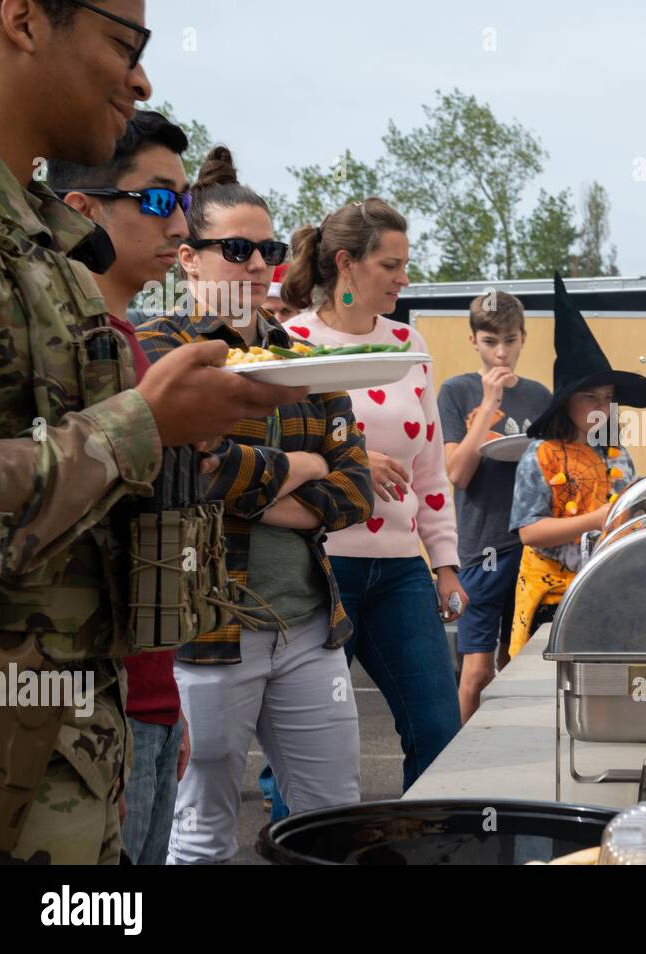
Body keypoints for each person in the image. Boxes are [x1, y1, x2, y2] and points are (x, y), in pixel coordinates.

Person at [0, 0, 303, 865]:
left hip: (81, 757)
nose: (142, 78)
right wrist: (145, 424)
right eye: (123, 44)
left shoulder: (48, 250)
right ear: (22, 19)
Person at [138, 146, 372, 863]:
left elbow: (355, 490)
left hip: (306, 625)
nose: (256, 264)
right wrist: (298, 468)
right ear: (189, 259)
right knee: (203, 831)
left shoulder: (301, 357)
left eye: (266, 249)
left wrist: (250, 482)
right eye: (235, 249)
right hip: (206, 634)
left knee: (336, 821)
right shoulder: (156, 351)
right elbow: (184, 469)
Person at [47, 108, 196, 863]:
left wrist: (171, 701)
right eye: (159, 199)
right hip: (76, 710)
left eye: (188, 201)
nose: (182, 224)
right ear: (82, 210)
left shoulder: (133, 341)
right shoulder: (57, 351)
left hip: (150, 697)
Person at [280, 197, 464, 790]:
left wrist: (447, 565)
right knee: (312, 747)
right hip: (316, 569)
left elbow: (432, 469)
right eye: (391, 264)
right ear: (347, 264)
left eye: (405, 264)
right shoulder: (288, 344)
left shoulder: (410, 345)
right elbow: (267, 460)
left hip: (401, 573)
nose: (403, 278)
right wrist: (352, 460)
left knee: (438, 729)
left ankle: (426, 850)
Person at [507, 274, 646, 655]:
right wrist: (597, 519)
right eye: (589, 397)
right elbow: (529, 532)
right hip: (553, 599)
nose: (600, 408)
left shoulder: (616, 453)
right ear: (566, 401)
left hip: (609, 589)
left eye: (607, 398)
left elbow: (630, 515)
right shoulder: (540, 454)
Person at [439, 291, 552, 722]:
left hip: (533, 544)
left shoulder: (540, 396)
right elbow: (457, 473)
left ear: (524, 338)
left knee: (520, 661)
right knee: (478, 671)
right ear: (473, 341)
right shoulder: (457, 391)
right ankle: (460, 766)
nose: (501, 352)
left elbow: (549, 465)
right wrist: (487, 408)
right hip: (482, 545)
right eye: (490, 341)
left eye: (510, 340)